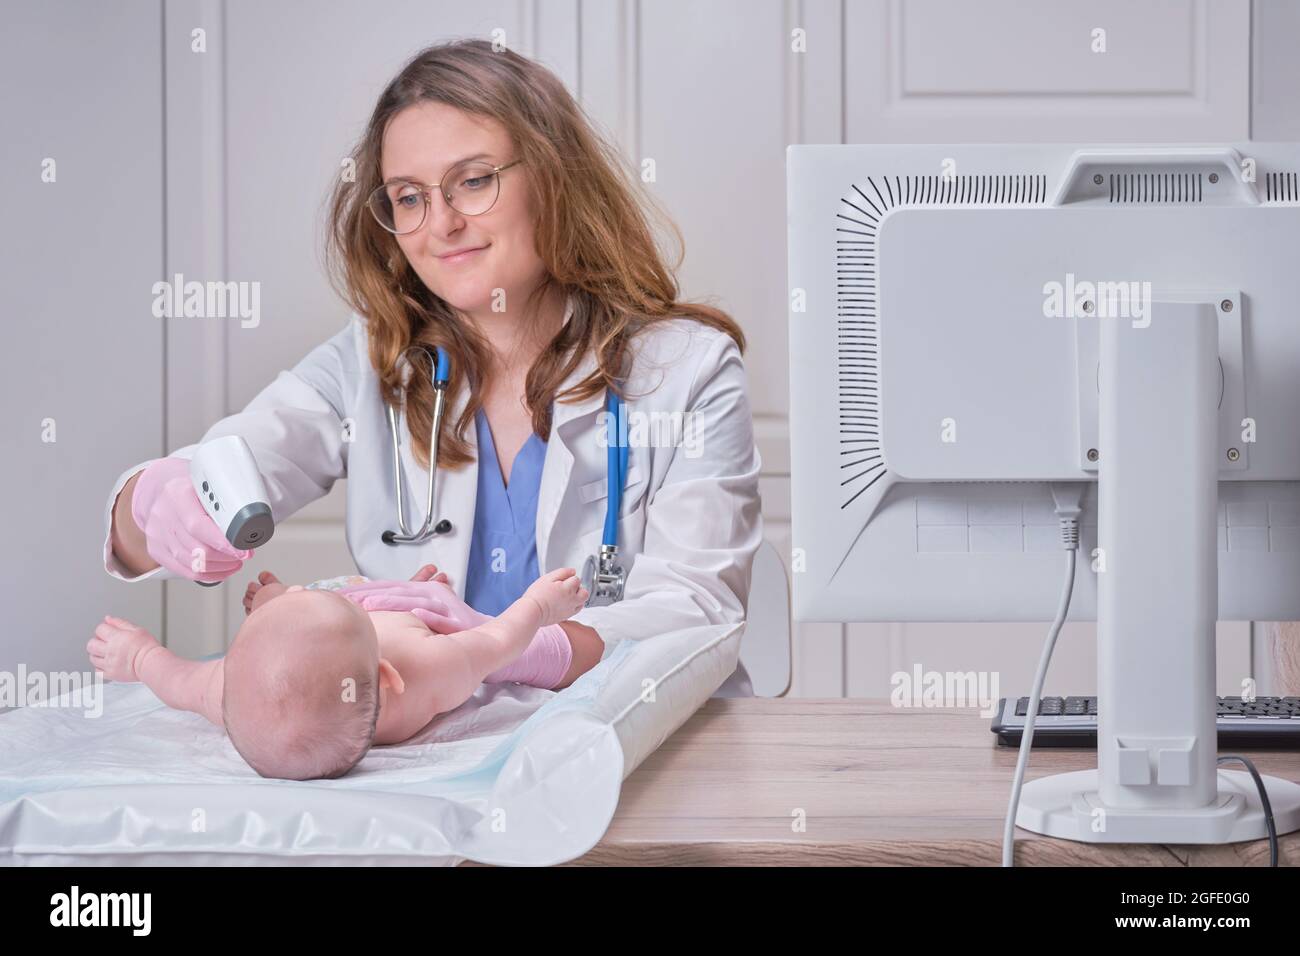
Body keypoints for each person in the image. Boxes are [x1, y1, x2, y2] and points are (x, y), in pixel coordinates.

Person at [103, 39, 762, 688]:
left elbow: (699, 613)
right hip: (441, 749)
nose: (439, 223)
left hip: (631, 746)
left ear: (556, 179)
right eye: (409, 197)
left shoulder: (687, 371)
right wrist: (156, 504)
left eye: (473, 181)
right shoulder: (374, 361)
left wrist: (513, 650)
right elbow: (236, 461)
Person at [87, 567, 590, 780]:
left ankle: (276, 604)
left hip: (338, 622)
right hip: (401, 614)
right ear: (387, 676)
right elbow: (499, 641)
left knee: (299, 620)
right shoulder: (426, 672)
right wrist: (539, 604)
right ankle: (302, 603)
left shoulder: (229, 690)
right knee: (570, 655)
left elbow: (176, 680)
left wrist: (137, 657)